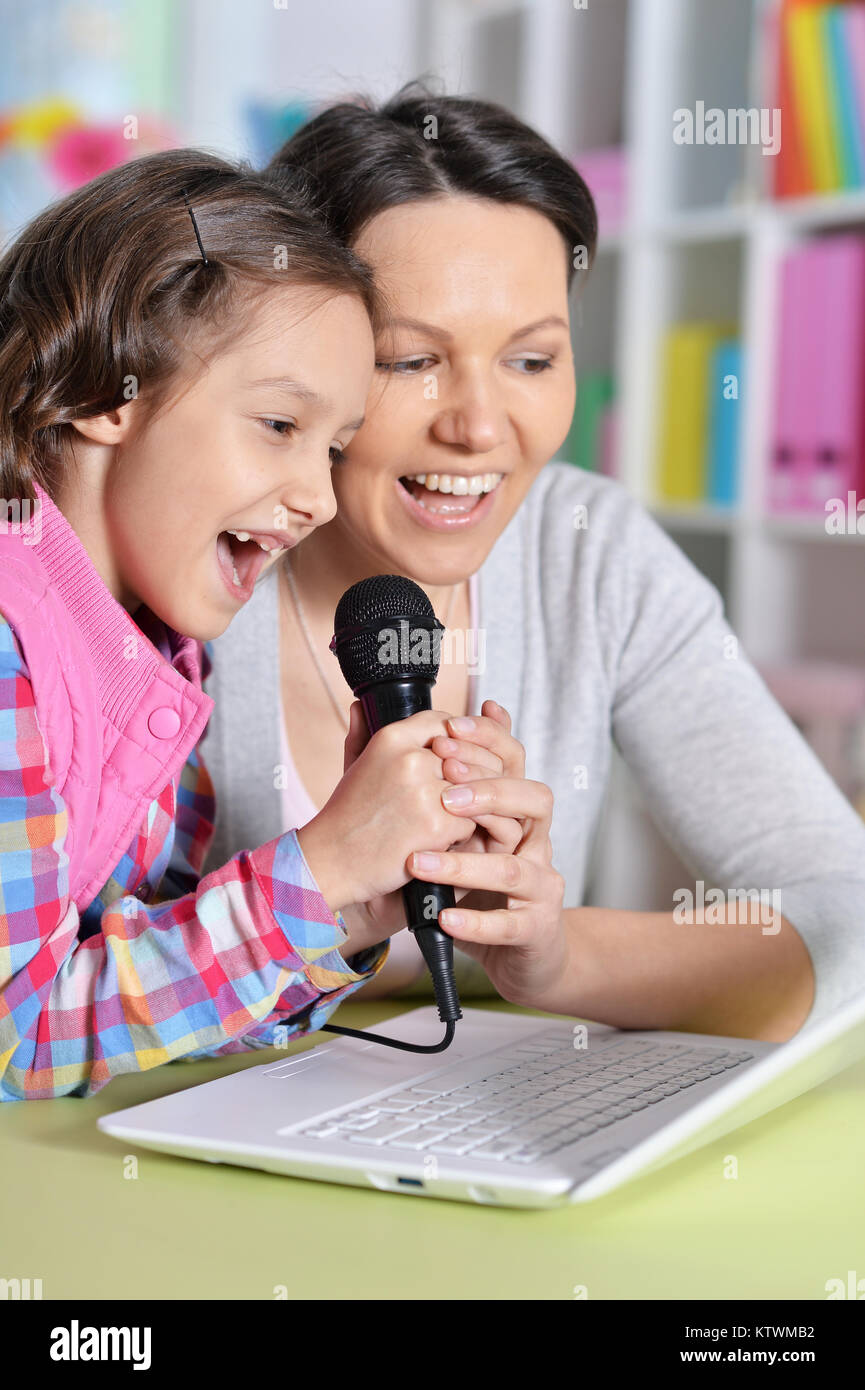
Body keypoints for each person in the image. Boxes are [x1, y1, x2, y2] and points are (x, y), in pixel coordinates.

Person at [201, 85, 865, 1042]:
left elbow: (844, 906)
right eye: (407, 360)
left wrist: (553, 956)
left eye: (529, 361)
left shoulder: (587, 555)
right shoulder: (194, 560)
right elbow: (64, 971)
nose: (477, 428)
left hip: (475, 1119)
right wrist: (340, 912)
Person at [0, 147, 529, 1101]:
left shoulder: (158, 656)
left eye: (333, 450)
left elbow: (136, 994)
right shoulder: (11, 640)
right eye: (280, 427)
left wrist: (358, 900)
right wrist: (313, 875)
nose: (319, 501)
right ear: (99, 388)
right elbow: (17, 1036)